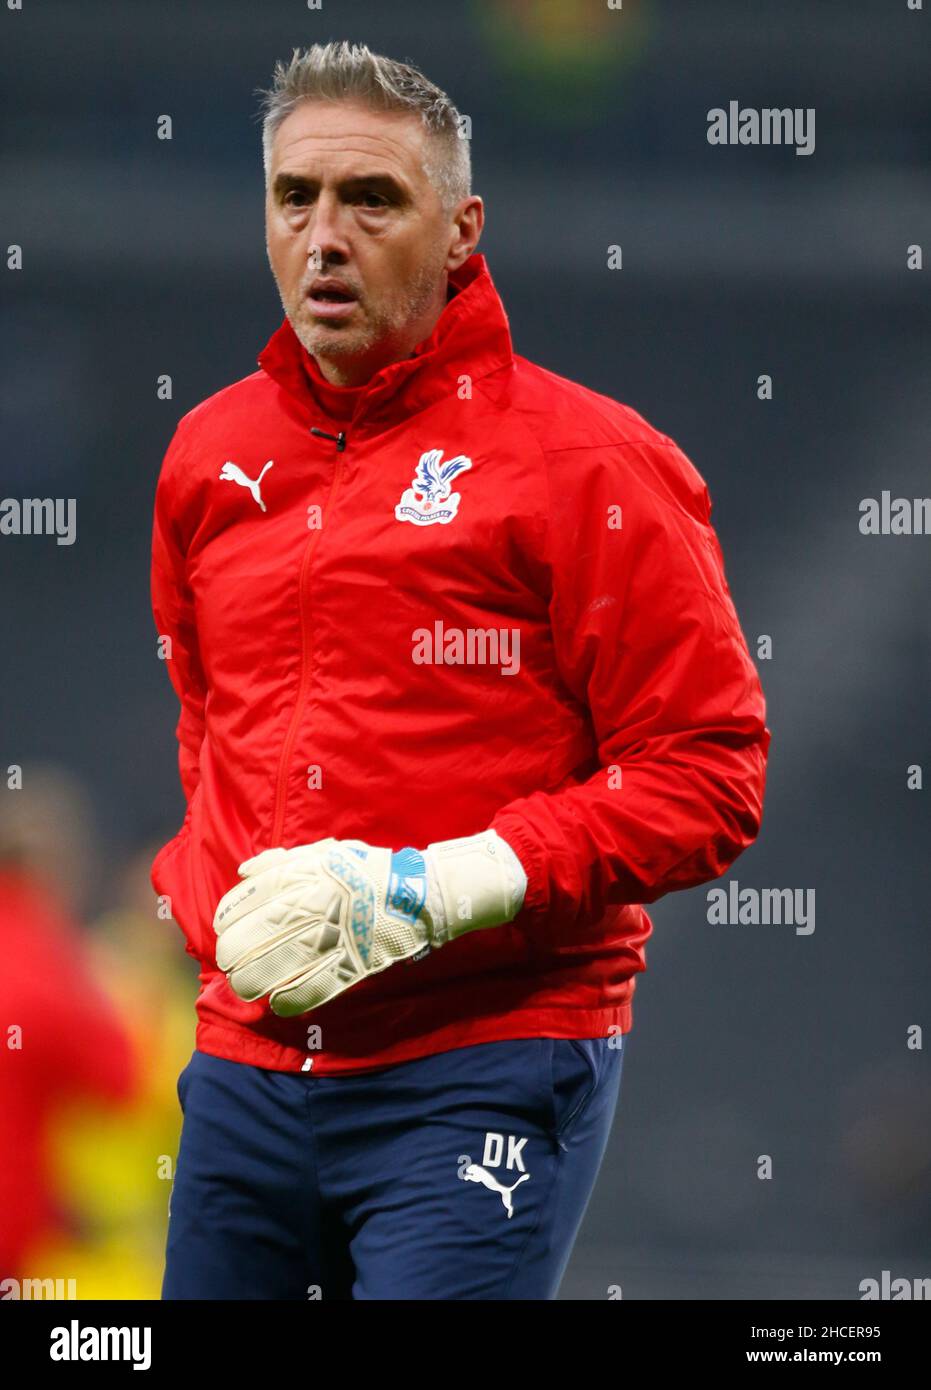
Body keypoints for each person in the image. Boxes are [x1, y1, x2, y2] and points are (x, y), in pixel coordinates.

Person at [150, 41, 770, 1300]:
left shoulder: (590, 463)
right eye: (294, 198)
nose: (325, 235)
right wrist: (209, 899)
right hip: (249, 1065)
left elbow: (708, 775)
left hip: (481, 1059)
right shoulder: (207, 455)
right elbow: (212, 723)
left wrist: (443, 885)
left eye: (371, 199)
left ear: (459, 230)